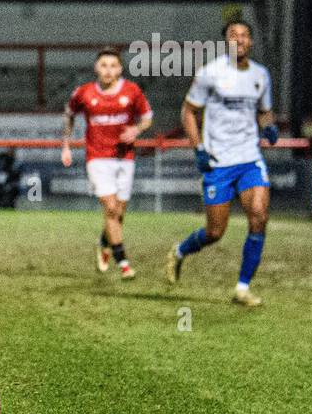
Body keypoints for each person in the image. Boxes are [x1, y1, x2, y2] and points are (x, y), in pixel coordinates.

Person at [165, 19, 279, 306]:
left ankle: (242, 288)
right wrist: (198, 149)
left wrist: (269, 126)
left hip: (250, 159)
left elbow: (264, 111)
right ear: (225, 42)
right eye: (233, 35)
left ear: (251, 42)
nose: (239, 40)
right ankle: (179, 251)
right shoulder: (210, 74)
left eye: (244, 35)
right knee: (215, 232)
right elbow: (188, 112)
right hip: (219, 162)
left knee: (259, 216)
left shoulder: (260, 75)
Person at [61, 47, 153, 278]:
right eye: (104, 65)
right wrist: (66, 144)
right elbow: (69, 113)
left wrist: (136, 129)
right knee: (110, 208)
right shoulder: (84, 93)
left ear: (120, 69)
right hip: (97, 158)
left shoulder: (132, 91)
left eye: (113, 66)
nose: (108, 70)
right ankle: (123, 263)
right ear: (96, 68)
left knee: (119, 212)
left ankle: (105, 242)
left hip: (125, 158)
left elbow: (148, 118)